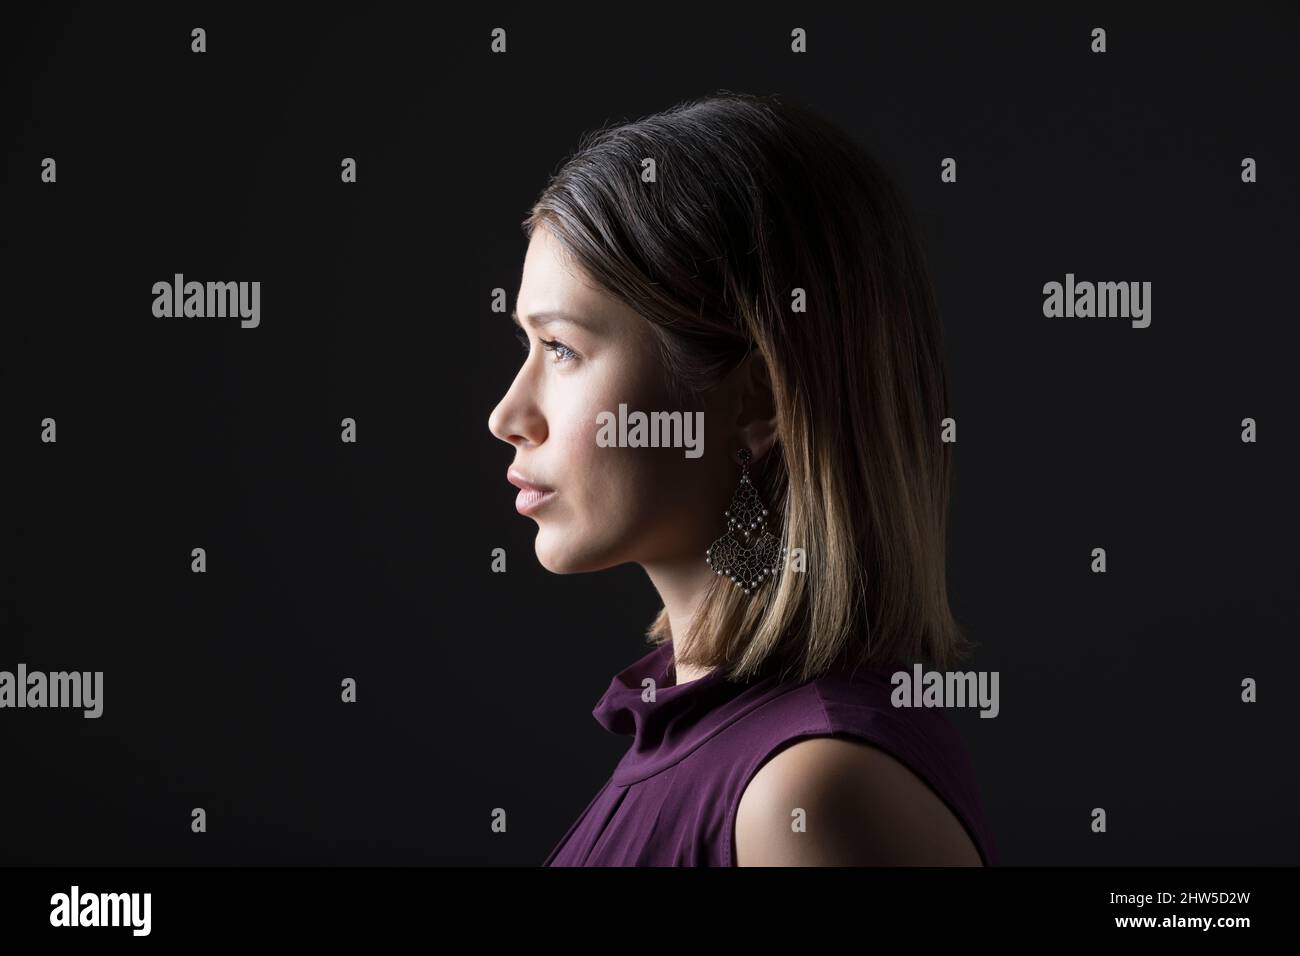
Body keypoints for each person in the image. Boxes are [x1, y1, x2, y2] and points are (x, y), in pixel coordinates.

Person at [488, 91, 997, 866]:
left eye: (561, 348)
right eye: (527, 344)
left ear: (758, 398)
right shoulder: (707, 735)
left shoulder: (807, 794)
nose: (507, 413)